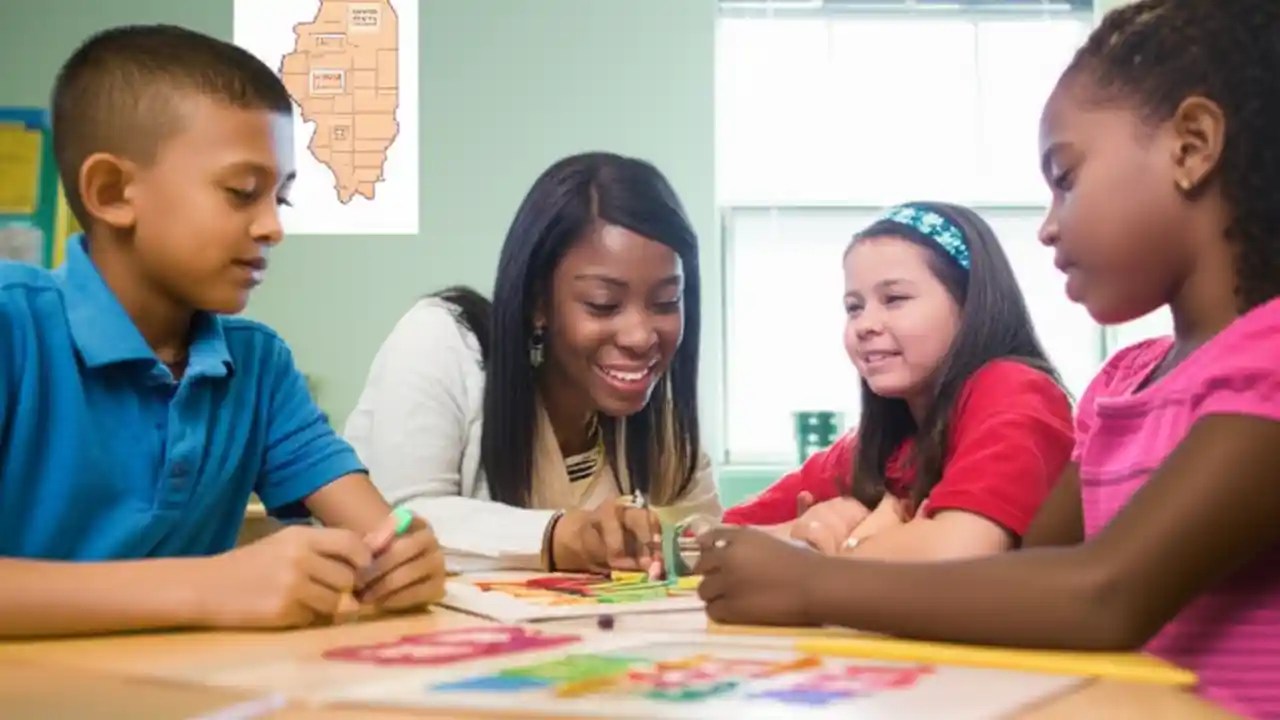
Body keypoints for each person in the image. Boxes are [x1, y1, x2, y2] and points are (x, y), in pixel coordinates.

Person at [694, 2, 1280, 717]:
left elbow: (1101, 595)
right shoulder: (1119, 388)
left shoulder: (1269, 361)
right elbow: (1026, 577)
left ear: (1191, 147)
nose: (1047, 225)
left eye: (1065, 178)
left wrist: (810, 584)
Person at [0, 25, 446, 638]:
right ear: (111, 192)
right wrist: (209, 585)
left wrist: (404, 559)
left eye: (281, 199)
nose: (271, 228)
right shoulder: (13, 327)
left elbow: (376, 529)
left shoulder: (257, 366)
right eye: (242, 193)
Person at [343, 152, 721, 574]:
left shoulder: (658, 416)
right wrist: (562, 535)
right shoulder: (444, 341)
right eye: (603, 304)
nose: (640, 336)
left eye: (666, 302)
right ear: (538, 301)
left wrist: (785, 541)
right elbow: (398, 520)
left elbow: (699, 536)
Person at [722, 203, 1073, 562]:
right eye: (854, 307)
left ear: (970, 304)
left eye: (895, 299)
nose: (864, 324)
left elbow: (960, 551)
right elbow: (707, 539)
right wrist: (797, 534)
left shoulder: (1016, 390)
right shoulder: (886, 444)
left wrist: (833, 550)